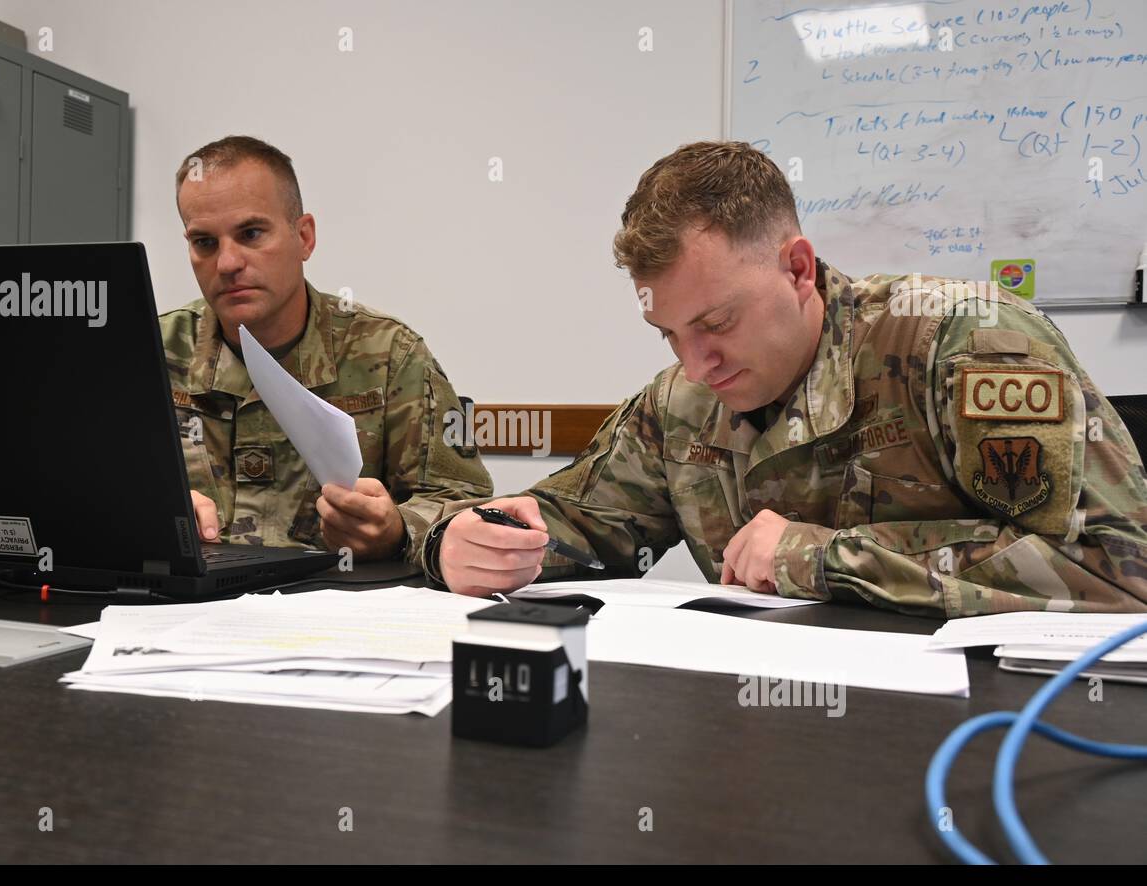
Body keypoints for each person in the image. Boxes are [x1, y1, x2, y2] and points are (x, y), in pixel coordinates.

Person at [426, 141, 1147, 616]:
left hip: (983, 734)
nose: (695, 363)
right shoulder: (681, 404)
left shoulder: (964, 343)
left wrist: (817, 556)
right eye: (669, 334)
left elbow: (1118, 574)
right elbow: (578, 525)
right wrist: (466, 541)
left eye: (716, 323)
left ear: (798, 269)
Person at [161, 136, 492, 562]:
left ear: (304, 237)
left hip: (336, 609)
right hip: (184, 615)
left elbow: (467, 505)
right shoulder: (152, 352)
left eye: (251, 233)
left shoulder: (391, 354)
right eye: (204, 242)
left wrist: (398, 530)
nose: (227, 263)